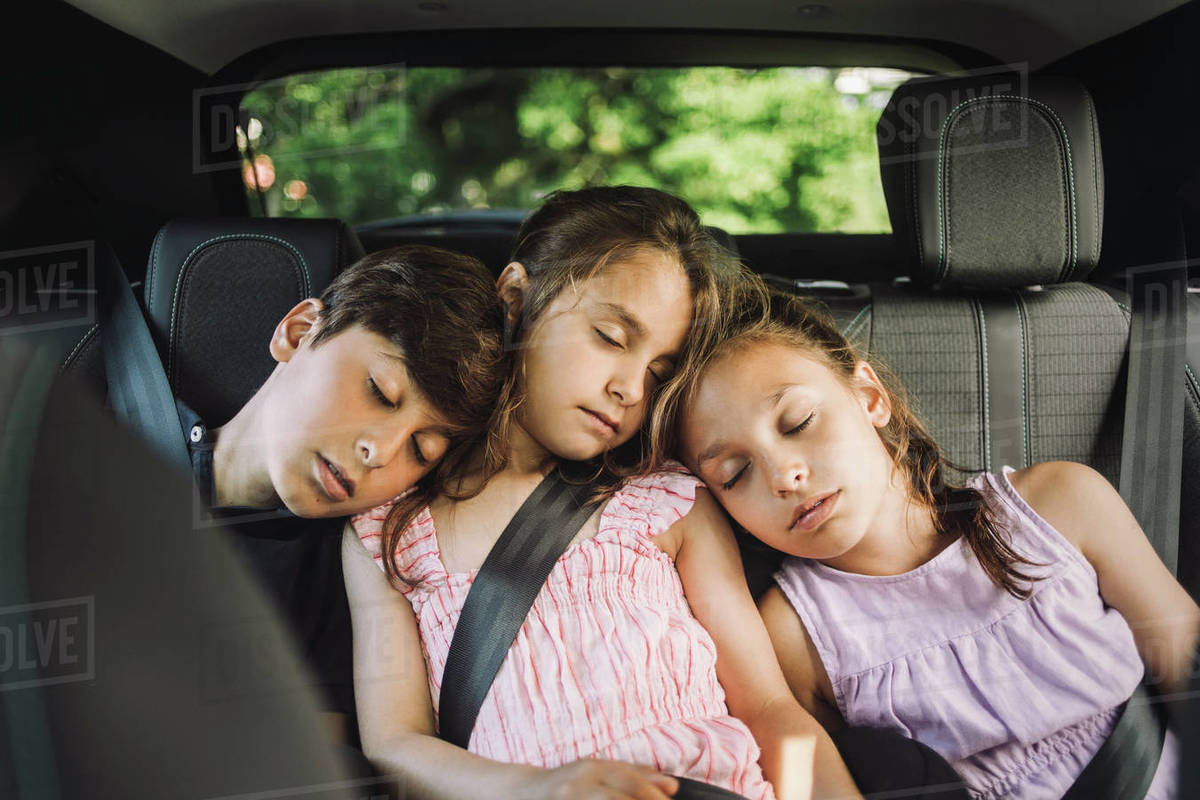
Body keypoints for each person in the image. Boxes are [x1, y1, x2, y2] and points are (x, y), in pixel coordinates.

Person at [343, 187, 862, 800]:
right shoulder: (393, 530)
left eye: (659, 372)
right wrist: (533, 790)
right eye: (612, 337)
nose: (629, 388)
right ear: (516, 299)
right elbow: (396, 744)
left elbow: (772, 712)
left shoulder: (666, 501)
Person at [672, 287, 1200, 799]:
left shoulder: (1060, 504)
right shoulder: (790, 639)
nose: (783, 476)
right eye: (736, 474)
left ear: (870, 397)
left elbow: (1185, 661)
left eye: (799, 422)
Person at [179, 244, 507, 744]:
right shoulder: (105, 445)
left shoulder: (347, 589)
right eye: (379, 392)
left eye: (421, 450)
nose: (379, 451)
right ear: (299, 332)